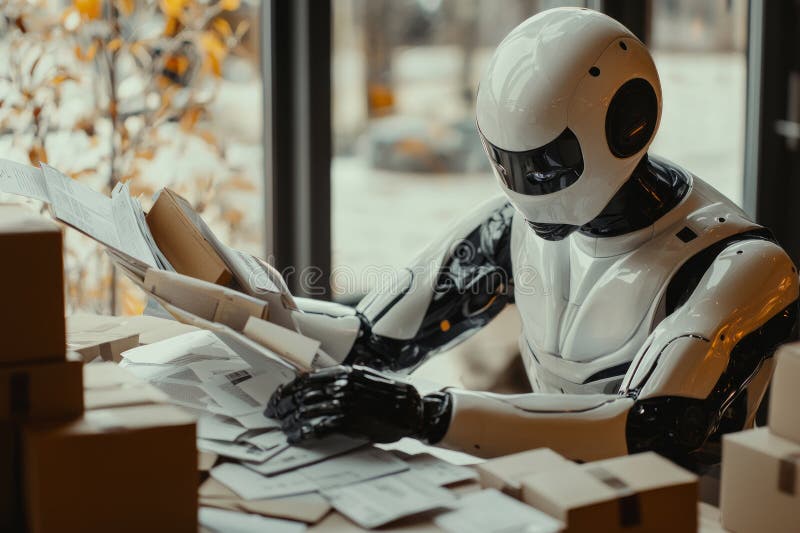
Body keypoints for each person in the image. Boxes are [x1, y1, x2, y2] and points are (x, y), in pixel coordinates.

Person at [266, 7, 799, 462]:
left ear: (627, 124)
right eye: (505, 162)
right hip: (544, 492)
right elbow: (372, 340)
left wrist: (423, 413)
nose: (524, 189)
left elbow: (649, 427)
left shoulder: (741, 265)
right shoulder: (511, 225)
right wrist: (239, 303)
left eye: (543, 164)